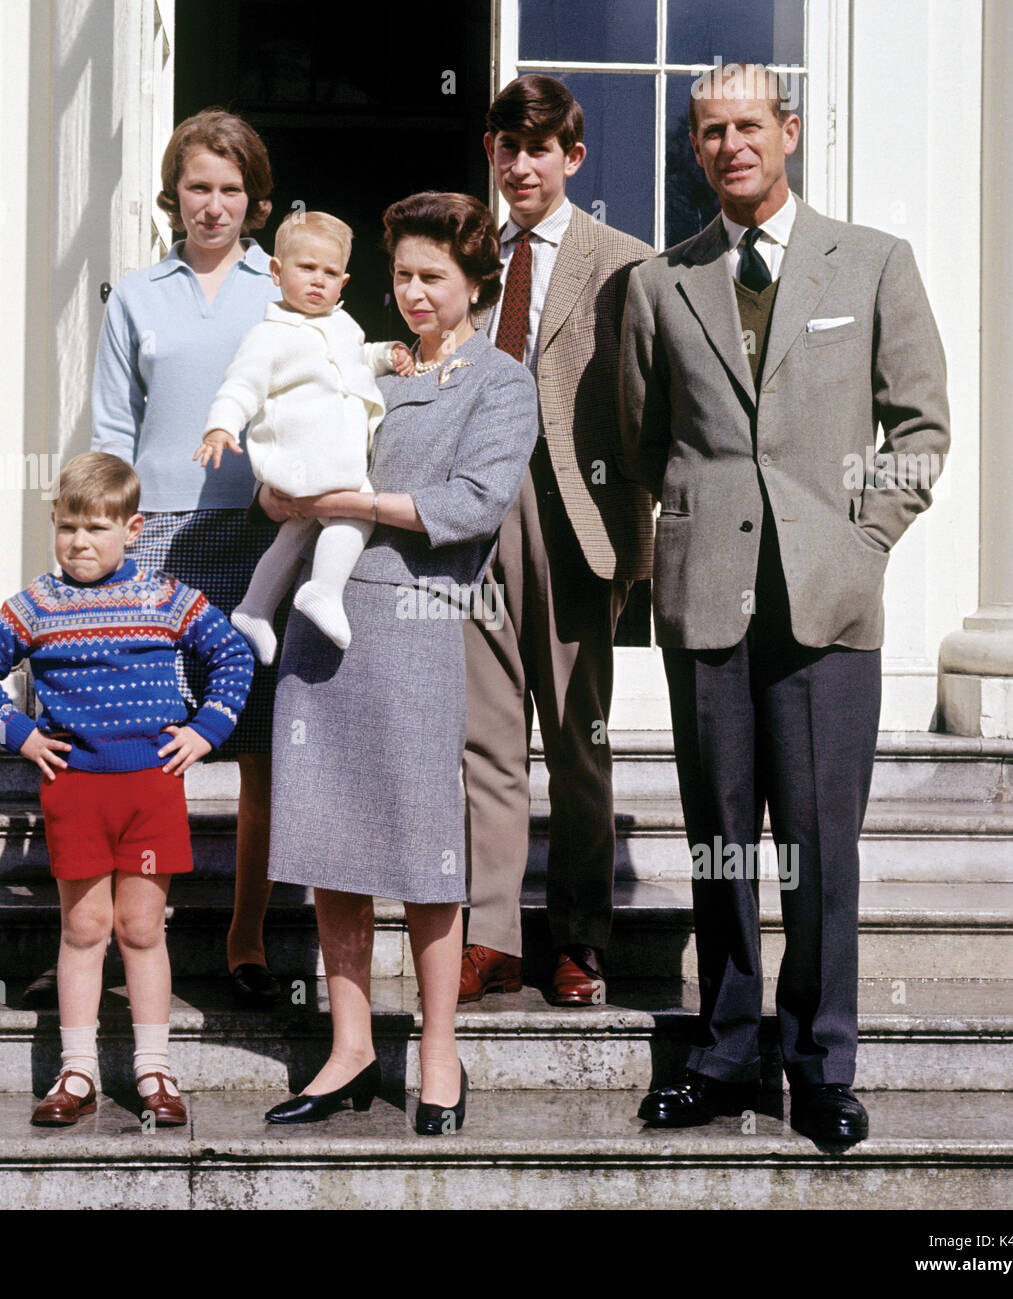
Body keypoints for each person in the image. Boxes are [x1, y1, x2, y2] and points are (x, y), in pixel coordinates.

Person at [619, 62, 950, 1144]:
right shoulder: (663, 283)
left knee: (816, 848)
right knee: (719, 841)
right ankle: (723, 1054)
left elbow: (919, 430)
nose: (730, 146)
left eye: (748, 125)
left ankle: (818, 1064)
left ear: (790, 133)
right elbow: (641, 436)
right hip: (707, 597)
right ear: (696, 147)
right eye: (709, 131)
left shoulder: (872, 264)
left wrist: (862, 547)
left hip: (826, 609)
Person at [261, 192, 538, 1134]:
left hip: (419, 622)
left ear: (474, 284)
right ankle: (347, 1047)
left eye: (433, 278)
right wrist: (282, 486)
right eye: (402, 275)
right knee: (329, 840)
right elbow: (293, 442)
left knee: (425, 847)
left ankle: (440, 1052)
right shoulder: (358, 358)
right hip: (318, 621)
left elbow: (471, 502)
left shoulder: (500, 383)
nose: (413, 294)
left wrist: (360, 499)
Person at [0, 453, 254, 1126]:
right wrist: (20, 732)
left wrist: (207, 727)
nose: (79, 542)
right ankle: (78, 1068)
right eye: (67, 527)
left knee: (142, 927)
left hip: (150, 787)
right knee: (85, 926)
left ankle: (154, 1068)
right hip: (76, 789)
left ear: (133, 529)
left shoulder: (165, 596)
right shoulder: (36, 605)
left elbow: (231, 655)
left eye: (94, 527)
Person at [460, 74, 655, 1008]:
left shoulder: (623, 261)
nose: (520, 163)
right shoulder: (464, 259)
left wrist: (642, 522)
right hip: (472, 519)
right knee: (485, 737)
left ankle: (580, 938)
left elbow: (654, 406)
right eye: (507, 145)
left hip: (576, 518)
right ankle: (491, 934)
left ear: (571, 158)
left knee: (580, 736)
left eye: (539, 148)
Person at [91, 108, 284, 1009]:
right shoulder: (134, 295)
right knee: (144, 745)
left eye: (231, 190)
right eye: (198, 187)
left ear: (255, 200)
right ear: (175, 194)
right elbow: (110, 434)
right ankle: (143, 928)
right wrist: (113, 550)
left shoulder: (283, 289)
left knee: (254, 746)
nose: (213, 206)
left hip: (259, 534)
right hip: (157, 539)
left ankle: (247, 937)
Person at [196, 210, 414, 657]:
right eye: (306, 268)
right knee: (357, 513)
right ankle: (325, 590)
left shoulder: (344, 326)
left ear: (344, 283)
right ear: (276, 272)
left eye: (330, 272)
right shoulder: (268, 336)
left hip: (326, 455)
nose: (318, 281)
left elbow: (354, 359)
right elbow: (241, 385)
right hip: (303, 457)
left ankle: (255, 606)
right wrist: (220, 425)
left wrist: (386, 355)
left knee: (294, 534)